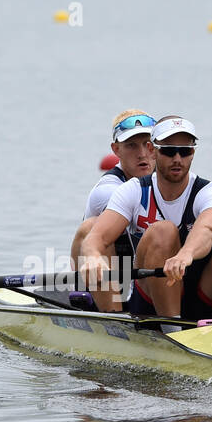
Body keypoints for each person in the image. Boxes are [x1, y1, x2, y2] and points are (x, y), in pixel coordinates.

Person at [80, 116, 212, 328]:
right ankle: (171, 329)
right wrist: (92, 256)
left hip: (200, 295)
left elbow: (209, 229)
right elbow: (96, 237)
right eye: (168, 150)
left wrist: (185, 254)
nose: (177, 158)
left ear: (193, 152)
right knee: (163, 231)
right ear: (153, 150)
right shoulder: (132, 191)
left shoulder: (210, 192)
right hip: (150, 302)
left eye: (185, 151)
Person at [70, 109, 157, 311]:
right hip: (99, 278)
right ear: (116, 150)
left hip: (140, 275)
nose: (142, 154)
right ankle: (113, 318)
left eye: (147, 144)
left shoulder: (171, 182)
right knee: (91, 227)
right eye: (131, 146)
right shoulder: (107, 190)